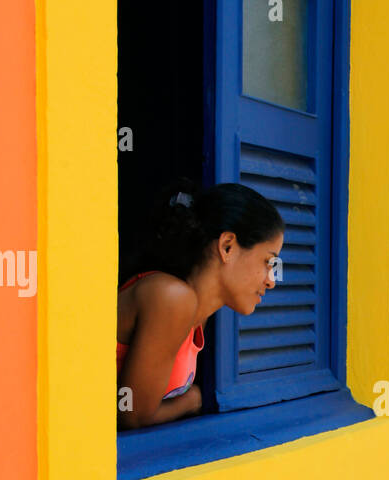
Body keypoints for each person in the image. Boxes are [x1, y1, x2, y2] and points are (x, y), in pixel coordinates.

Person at [116, 179, 285, 429]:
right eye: (268, 262)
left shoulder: (198, 315)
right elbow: (132, 414)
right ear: (227, 246)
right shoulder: (171, 297)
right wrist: (191, 400)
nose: (272, 281)